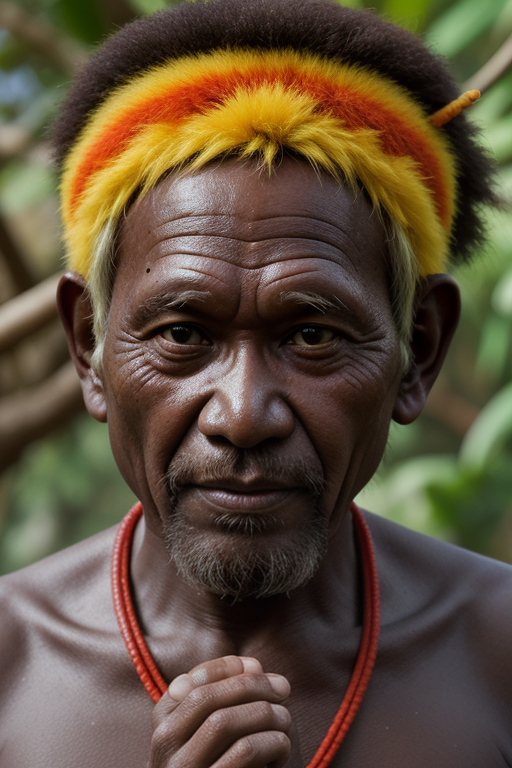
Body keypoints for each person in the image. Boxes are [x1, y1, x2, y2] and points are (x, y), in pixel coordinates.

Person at [0, 0, 510, 765]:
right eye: (181, 335)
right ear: (88, 347)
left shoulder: (498, 654)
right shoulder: (12, 663)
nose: (242, 415)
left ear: (418, 351)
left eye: (312, 336)